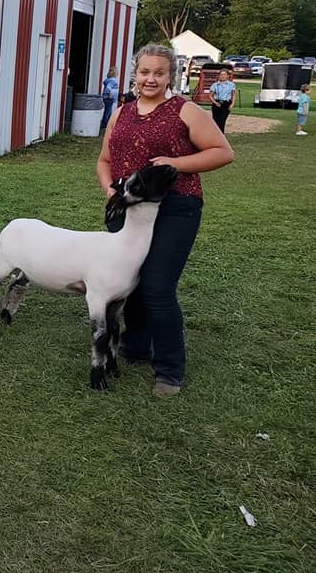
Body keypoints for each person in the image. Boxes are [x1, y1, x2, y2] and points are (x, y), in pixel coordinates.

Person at [96, 44, 234, 397]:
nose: (150, 79)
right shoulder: (121, 113)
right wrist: (110, 192)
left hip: (176, 206)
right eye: (144, 72)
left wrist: (174, 164)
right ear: (135, 74)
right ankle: (136, 345)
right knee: (132, 282)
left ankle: (170, 369)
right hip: (128, 208)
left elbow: (222, 152)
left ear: (170, 75)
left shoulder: (185, 111)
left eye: (159, 73)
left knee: (157, 287)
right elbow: (104, 161)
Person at [208, 68, 237, 133]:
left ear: (228, 76)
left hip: (226, 104)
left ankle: (221, 136)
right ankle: (215, 135)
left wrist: (232, 104)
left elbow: (234, 95)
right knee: (215, 121)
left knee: (222, 121)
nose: (222, 76)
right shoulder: (215, 85)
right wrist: (215, 102)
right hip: (217, 103)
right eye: (221, 74)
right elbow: (210, 95)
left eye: (224, 74)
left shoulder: (231, 85)